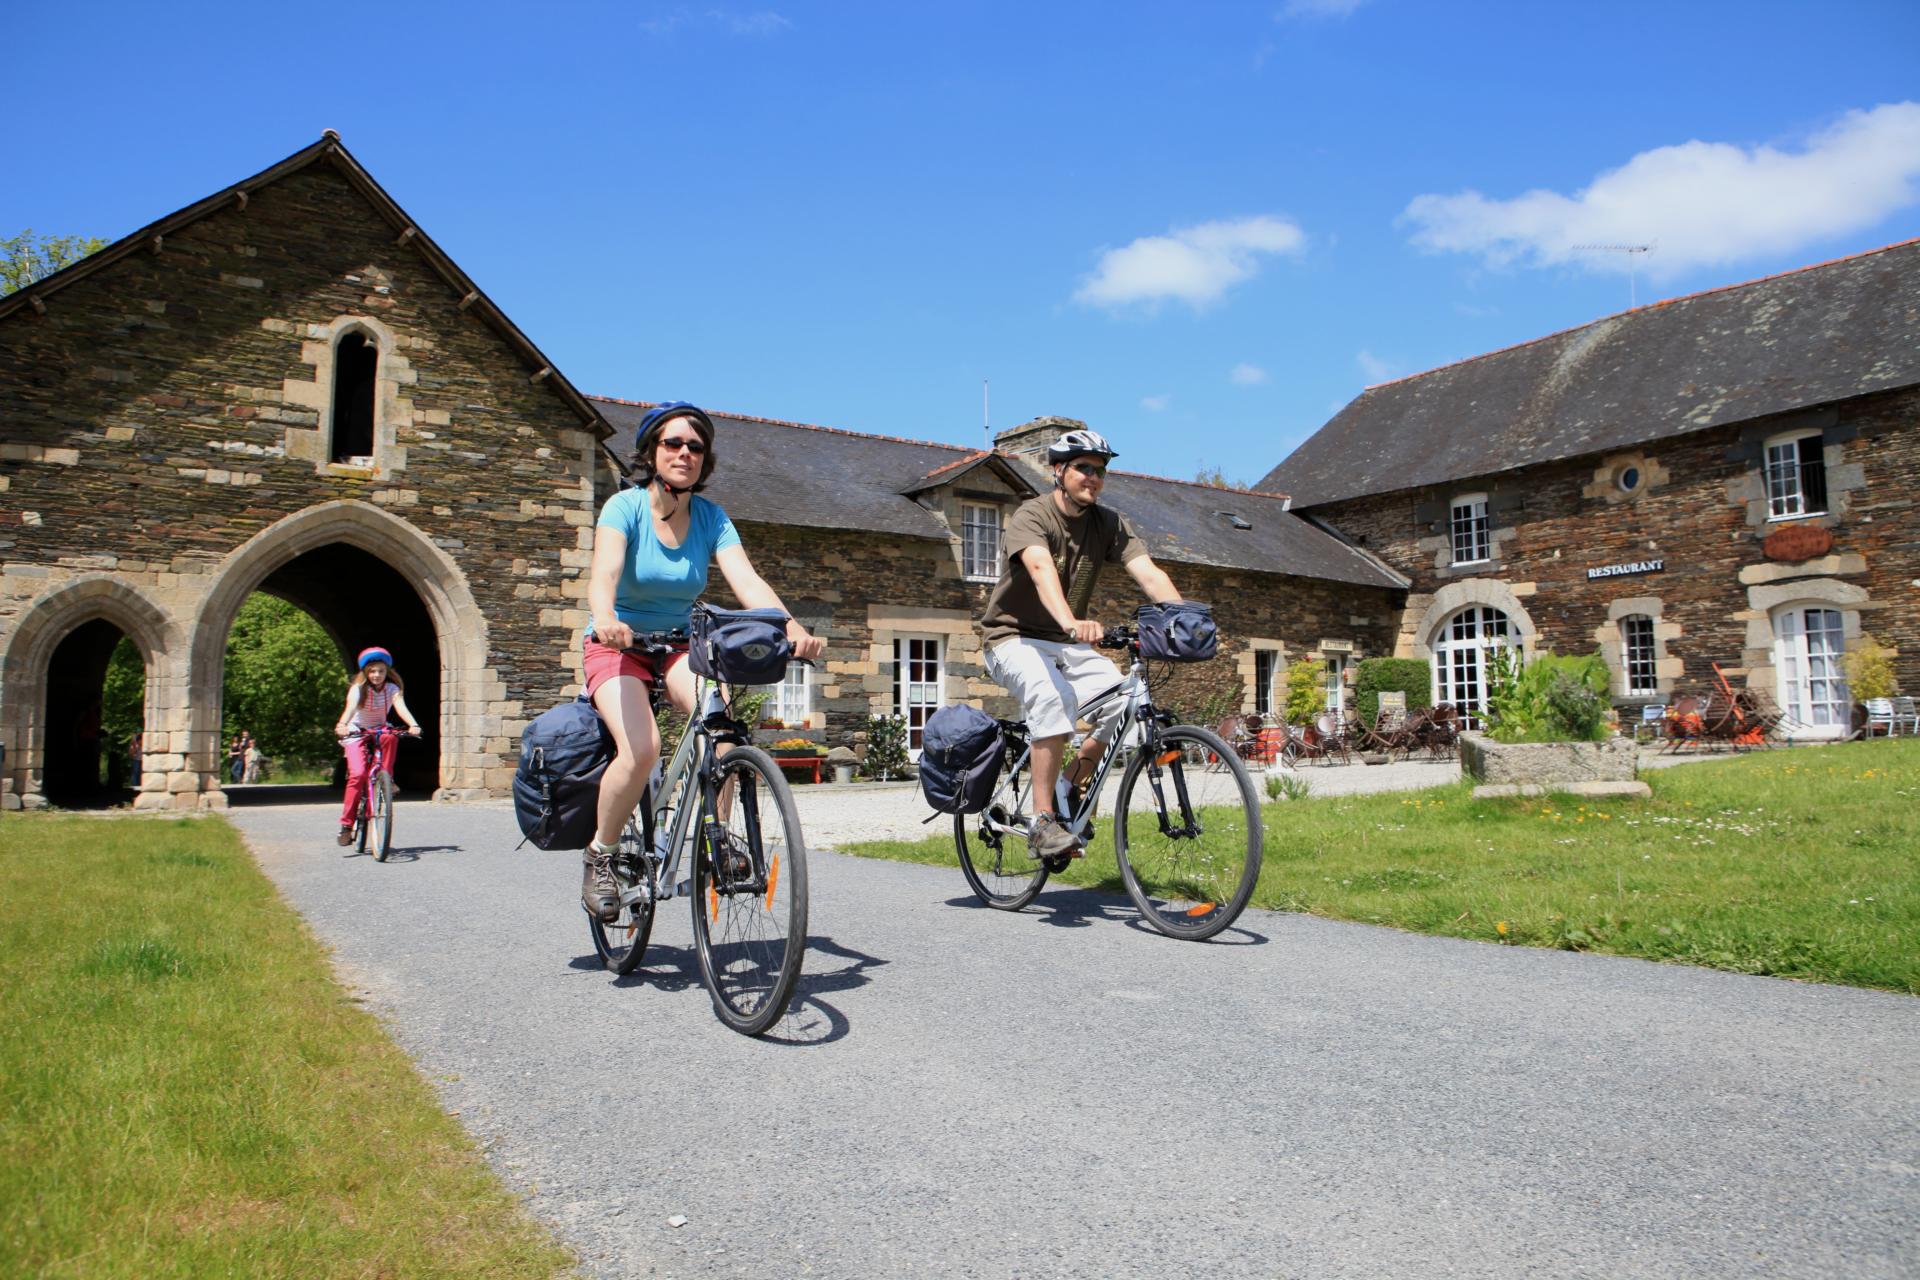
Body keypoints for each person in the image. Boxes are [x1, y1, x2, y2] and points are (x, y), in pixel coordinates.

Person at [579, 402, 824, 922]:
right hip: (617, 643)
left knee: (723, 728)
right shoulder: (624, 507)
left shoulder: (711, 518)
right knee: (641, 750)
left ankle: (720, 839)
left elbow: (749, 582)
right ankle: (600, 854)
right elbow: (604, 573)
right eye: (673, 444)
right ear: (651, 452)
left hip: (677, 644)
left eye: (695, 446)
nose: (685, 453)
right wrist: (605, 616)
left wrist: (791, 627)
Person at [979, 428, 1184, 860]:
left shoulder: (1108, 523)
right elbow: (1040, 569)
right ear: (1059, 471)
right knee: (1053, 700)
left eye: (1100, 471)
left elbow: (1147, 572)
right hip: (1011, 638)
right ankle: (1042, 821)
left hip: (1064, 642)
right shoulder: (1031, 516)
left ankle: (1069, 784)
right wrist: (1071, 621)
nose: (1092, 477)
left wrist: (1185, 621)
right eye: (1083, 468)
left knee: (1120, 703)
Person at [332, 647, 422, 845]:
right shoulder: (358, 689)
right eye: (372, 671)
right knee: (358, 774)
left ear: (386, 672)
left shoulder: (392, 689)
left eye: (381, 671)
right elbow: (351, 708)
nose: (376, 675)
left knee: (391, 737)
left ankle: (386, 778)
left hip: (379, 729)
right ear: (366, 672)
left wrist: (413, 724)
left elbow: (401, 708)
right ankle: (347, 824)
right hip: (356, 730)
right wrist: (342, 725)